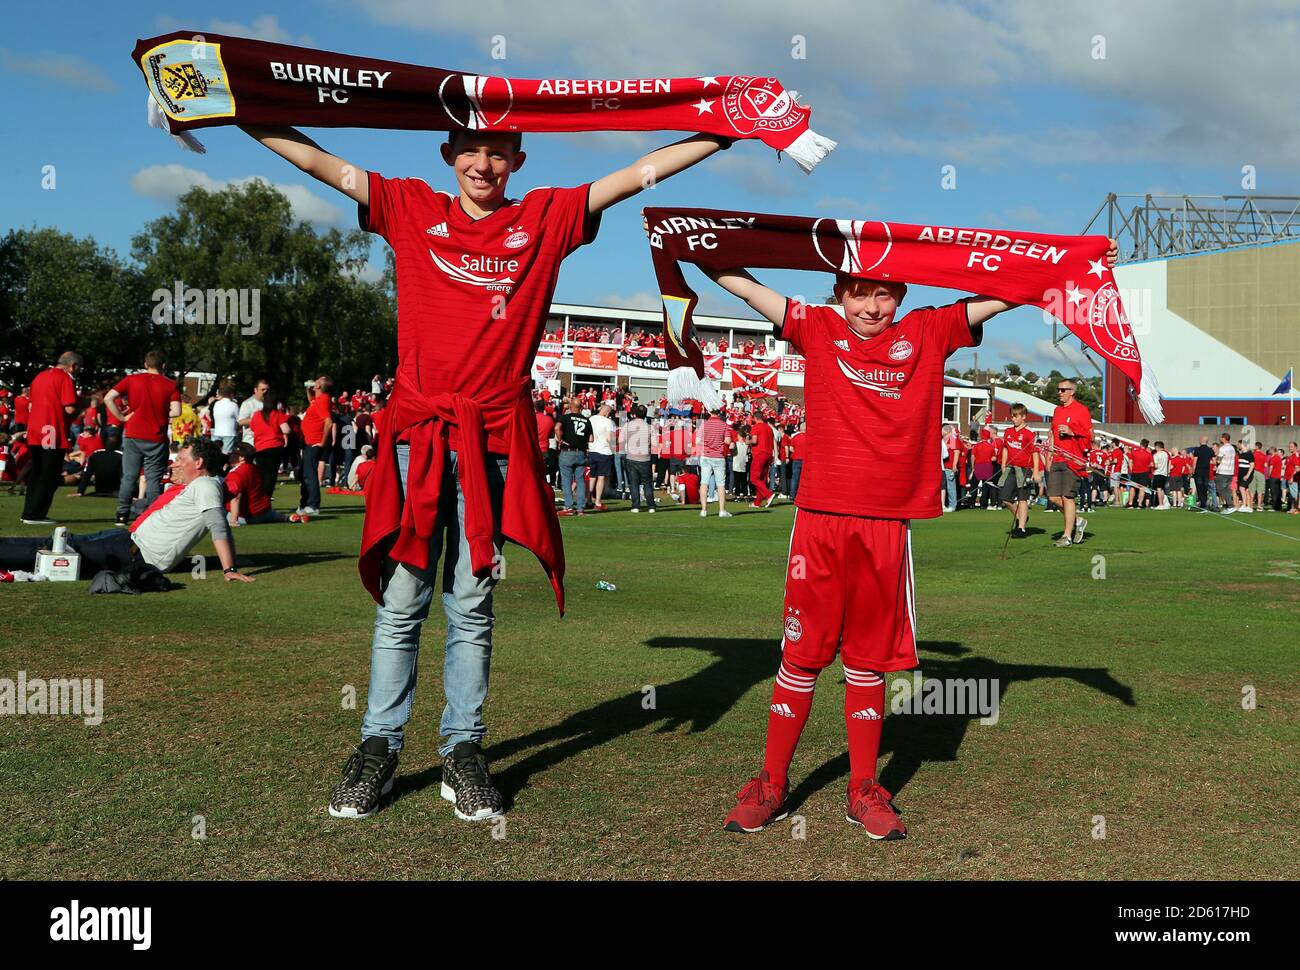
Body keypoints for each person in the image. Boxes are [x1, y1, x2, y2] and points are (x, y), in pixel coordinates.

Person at [243, 118, 730, 820]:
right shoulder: (410, 206)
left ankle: (462, 752)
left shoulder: (545, 216)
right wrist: (243, 109)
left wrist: (720, 132)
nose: (482, 163)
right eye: (469, 150)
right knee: (402, 600)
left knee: (471, 605)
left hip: (494, 443)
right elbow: (322, 163)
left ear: (517, 161)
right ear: (447, 156)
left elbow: (634, 175)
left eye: (497, 153)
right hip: (418, 438)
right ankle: (377, 747)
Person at [701, 238, 1118, 839]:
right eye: (859, 292)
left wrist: (1053, 266)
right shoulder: (815, 328)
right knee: (800, 657)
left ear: (902, 294)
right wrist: (691, 241)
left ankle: (863, 788)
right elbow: (742, 284)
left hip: (885, 526)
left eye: (884, 292)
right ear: (839, 294)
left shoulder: (928, 331)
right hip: (819, 518)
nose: (871, 306)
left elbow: (997, 297)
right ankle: (771, 781)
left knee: (868, 663)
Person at [0, 437, 254, 583]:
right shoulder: (201, 485)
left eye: (181, 459)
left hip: (133, 553)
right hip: (128, 542)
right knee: (60, 544)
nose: (175, 462)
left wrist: (229, 569)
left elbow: (219, 526)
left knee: (55, 548)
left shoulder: (206, 486)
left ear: (198, 463)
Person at [106, 351, 181, 526]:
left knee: (129, 476)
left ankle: (122, 514)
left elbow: (109, 397)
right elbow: (176, 411)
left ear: (146, 364)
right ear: (163, 366)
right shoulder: (170, 385)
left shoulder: (132, 379)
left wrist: (121, 417)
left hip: (133, 434)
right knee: (153, 478)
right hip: (156, 436)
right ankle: (152, 513)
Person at [21, 351, 82, 526]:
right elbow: (70, 408)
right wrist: (81, 405)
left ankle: (29, 511)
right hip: (52, 430)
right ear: (73, 366)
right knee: (49, 474)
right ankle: (35, 514)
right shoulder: (64, 378)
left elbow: (31, 404)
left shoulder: (40, 376)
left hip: (35, 430)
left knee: (36, 472)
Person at [1046, 379, 1093, 547]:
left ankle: (1067, 536)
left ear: (1072, 392)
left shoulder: (1082, 410)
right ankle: (1078, 521)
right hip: (1057, 458)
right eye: (1058, 389)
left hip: (1073, 459)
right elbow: (1052, 434)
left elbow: (1090, 437)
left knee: (1067, 497)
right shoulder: (1057, 410)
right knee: (1053, 497)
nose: (1059, 392)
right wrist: (1049, 456)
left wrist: (1072, 432)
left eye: (1063, 390)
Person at [998, 403, 1041, 538]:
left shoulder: (1029, 433)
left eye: (1016, 416)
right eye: (1012, 416)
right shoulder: (1008, 432)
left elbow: (1035, 452)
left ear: (1023, 417)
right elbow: (1005, 448)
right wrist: (1003, 464)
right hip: (1010, 468)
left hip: (1025, 469)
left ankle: (1021, 528)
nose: (1013, 419)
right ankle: (1020, 516)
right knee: (1005, 498)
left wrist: (1036, 471)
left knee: (1023, 498)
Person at [297, 377, 333, 516]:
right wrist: (309, 391)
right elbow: (312, 402)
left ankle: (313, 505)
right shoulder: (320, 400)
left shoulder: (322, 400)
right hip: (311, 441)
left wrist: (323, 442)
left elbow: (328, 422)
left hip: (314, 442)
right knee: (306, 473)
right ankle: (307, 503)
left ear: (318, 386)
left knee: (309, 474)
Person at [224, 443, 282, 526]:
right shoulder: (255, 468)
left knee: (216, 512)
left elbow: (236, 497)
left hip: (246, 517)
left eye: (233, 454)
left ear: (242, 458)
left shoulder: (236, 473)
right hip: (265, 512)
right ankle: (285, 518)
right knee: (271, 514)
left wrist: (233, 521)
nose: (230, 457)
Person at [249, 389, 291, 498]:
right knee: (271, 476)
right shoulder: (277, 414)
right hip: (274, 447)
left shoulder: (257, 415)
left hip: (260, 447)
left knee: (261, 475)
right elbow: (286, 430)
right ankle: (266, 498)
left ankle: (260, 498)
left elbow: (253, 429)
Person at [557, 396, 593, 516]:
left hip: (568, 451)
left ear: (571, 406)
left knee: (567, 480)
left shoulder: (566, 417)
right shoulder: (587, 420)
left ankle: (568, 507)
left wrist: (560, 439)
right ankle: (580, 508)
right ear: (581, 408)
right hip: (581, 452)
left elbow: (557, 427)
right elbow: (591, 439)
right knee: (580, 480)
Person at [696, 407, 735, 518]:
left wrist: (708, 442)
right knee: (721, 484)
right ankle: (722, 510)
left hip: (706, 456)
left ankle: (704, 510)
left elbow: (698, 441)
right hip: (719, 456)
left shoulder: (704, 425)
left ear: (709, 412)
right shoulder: (724, 425)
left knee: (704, 483)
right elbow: (728, 441)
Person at [70, 429, 124, 498]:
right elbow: (124, 476)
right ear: (119, 445)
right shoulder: (122, 456)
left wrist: (80, 491)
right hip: (117, 491)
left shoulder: (95, 454)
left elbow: (87, 474)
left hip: (99, 491)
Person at [624, 404, 656, 513]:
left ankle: (635, 506)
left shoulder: (627, 425)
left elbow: (620, 440)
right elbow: (655, 444)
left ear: (635, 413)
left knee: (634, 483)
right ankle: (651, 505)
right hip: (645, 457)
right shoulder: (650, 427)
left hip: (631, 457)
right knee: (647, 483)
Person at [587, 402, 616, 510]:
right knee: (601, 477)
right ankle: (598, 501)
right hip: (604, 451)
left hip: (592, 449)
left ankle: (589, 498)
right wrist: (615, 442)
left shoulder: (591, 419)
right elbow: (609, 438)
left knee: (592, 477)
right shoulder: (608, 422)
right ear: (607, 412)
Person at [748, 413, 776, 508]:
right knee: (762, 480)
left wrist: (747, 441)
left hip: (760, 454)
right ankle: (757, 502)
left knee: (754, 478)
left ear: (755, 418)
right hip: (768, 454)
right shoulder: (769, 428)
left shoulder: (756, 427)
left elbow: (754, 441)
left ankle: (768, 495)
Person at [211, 384, 241, 455]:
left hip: (217, 431)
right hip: (229, 432)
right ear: (231, 394)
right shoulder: (234, 405)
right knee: (226, 454)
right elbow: (239, 419)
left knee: (215, 453)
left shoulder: (216, 404)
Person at [237, 378, 269, 446]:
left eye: (267, 389)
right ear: (255, 390)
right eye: (262, 390)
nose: (265, 392)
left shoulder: (271, 403)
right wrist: (260, 420)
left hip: (267, 442)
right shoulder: (248, 403)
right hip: (251, 442)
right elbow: (241, 421)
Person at [1214, 432, 1237, 513]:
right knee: (1227, 489)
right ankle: (1228, 506)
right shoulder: (1232, 448)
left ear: (1223, 438)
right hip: (1230, 471)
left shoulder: (1223, 448)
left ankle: (1231, 505)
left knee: (1220, 489)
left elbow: (1219, 460)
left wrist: (1215, 462)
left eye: (1221, 437)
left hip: (1223, 471)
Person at [1191, 435, 1215, 511]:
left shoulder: (1197, 450)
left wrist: (1193, 470)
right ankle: (1204, 504)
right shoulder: (1210, 450)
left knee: (1199, 488)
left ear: (1201, 440)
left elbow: (1195, 461)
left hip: (1198, 471)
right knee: (1205, 488)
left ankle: (1203, 505)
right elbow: (1214, 461)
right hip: (1206, 472)